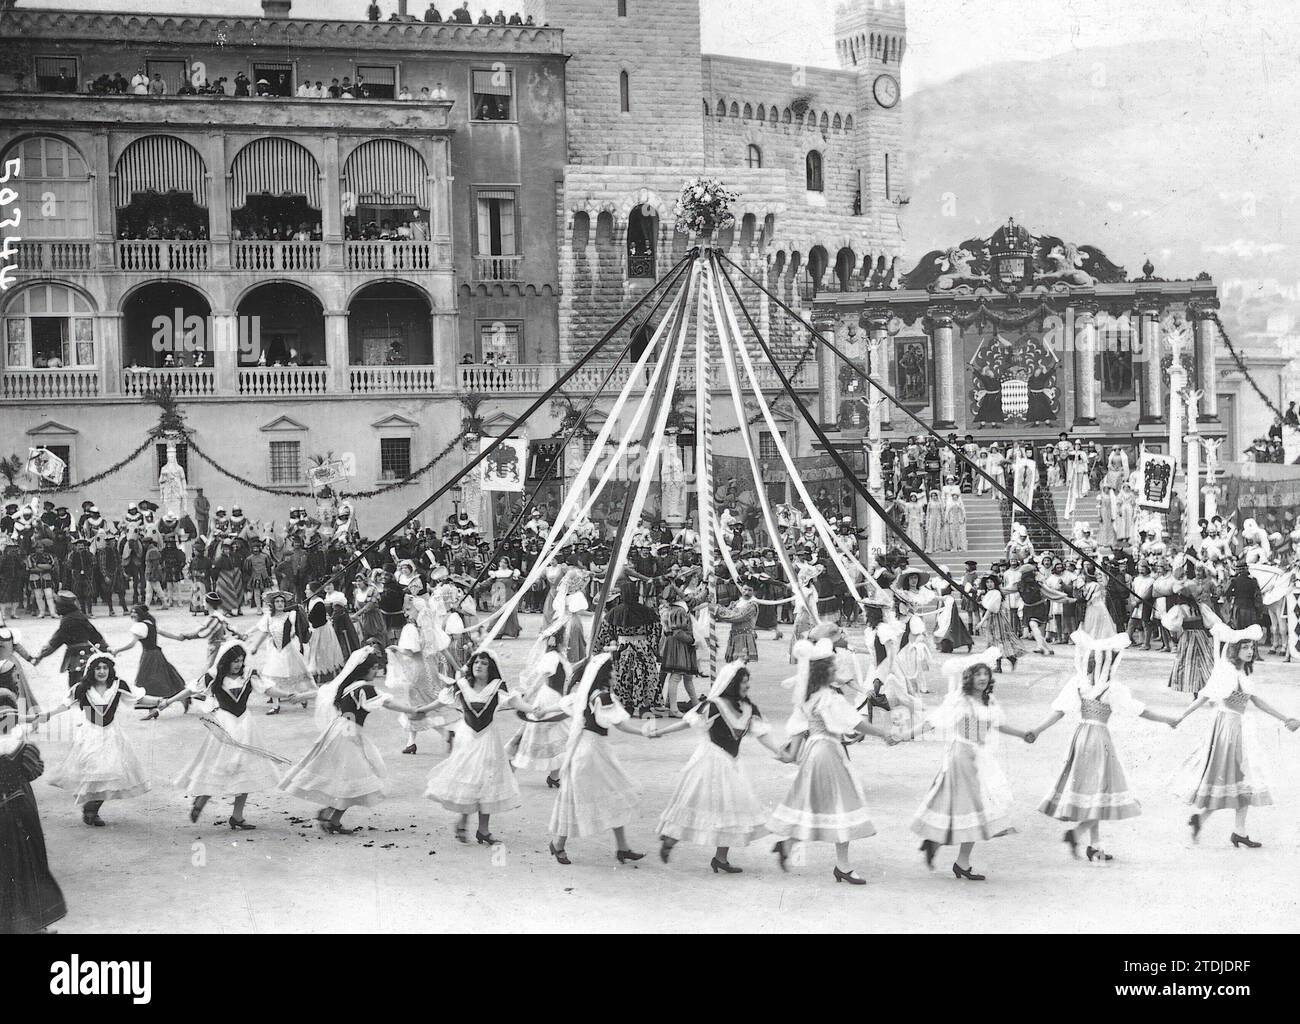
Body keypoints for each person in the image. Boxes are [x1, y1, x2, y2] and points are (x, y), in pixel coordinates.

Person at [1024, 633, 1179, 862]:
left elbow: (1059, 711)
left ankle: (1095, 846)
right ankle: (1077, 834)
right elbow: (1140, 710)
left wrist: (1037, 730)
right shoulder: (1111, 688)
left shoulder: (1079, 683)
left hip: (1081, 736)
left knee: (1093, 794)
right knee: (1100, 792)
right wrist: (1167, 719)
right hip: (1099, 739)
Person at [769, 638, 897, 885]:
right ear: (823, 672)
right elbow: (854, 721)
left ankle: (790, 845)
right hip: (827, 753)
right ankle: (842, 866)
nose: (837, 673)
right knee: (842, 808)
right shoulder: (828, 697)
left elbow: (801, 729)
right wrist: (883, 734)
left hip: (815, 752)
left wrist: (791, 753)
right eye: (832, 669)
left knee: (815, 805)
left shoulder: (808, 697)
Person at [149, 640, 302, 829]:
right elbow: (190, 690)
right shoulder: (214, 676)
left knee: (245, 769)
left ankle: (237, 816)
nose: (238, 664)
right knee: (218, 765)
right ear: (225, 661)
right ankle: (202, 799)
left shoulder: (249, 675)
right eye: (234, 661)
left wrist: (287, 695)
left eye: (240, 660)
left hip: (245, 725)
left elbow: (268, 689)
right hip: (224, 725)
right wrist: (168, 701)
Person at [278, 646, 429, 834]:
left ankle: (331, 817)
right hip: (348, 734)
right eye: (373, 668)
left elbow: (323, 692)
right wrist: (411, 710)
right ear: (363, 669)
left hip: (339, 730)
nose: (376, 671)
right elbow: (387, 702)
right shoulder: (365, 688)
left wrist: (301, 696)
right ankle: (329, 815)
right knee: (357, 779)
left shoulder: (346, 685)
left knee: (351, 779)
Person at [910, 648, 1030, 880]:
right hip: (961, 756)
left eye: (985, 674)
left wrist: (1022, 734)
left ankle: (955, 857)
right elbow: (933, 722)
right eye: (978, 674)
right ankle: (938, 845)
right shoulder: (960, 700)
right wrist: (906, 734)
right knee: (972, 809)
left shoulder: (989, 700)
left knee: (977, 810)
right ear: (969, 677)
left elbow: (998, 725)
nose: (983, 678)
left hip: (981, 758)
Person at [1176, 625, 1298, 848]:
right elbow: (1205, 696)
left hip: (1239, 727)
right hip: (1229, 729)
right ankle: (1208, 822)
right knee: (1236, 778)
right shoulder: (1228, 672)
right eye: (1244, 647)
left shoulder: (1242, 672)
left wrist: (1285, 718)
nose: (1250, 651)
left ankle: (1234, 830)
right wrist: (1181, 716)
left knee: (1241, 781)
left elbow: (1256, 700)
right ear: (1234, 650)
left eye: (1251, 647)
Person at [657, 662, 782, 873]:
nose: (747, 687)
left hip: (731, 764)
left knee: (731, 810)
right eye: (744, 683)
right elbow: (688, 722)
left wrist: (780, 752)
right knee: (695, 801)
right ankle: (670, 838)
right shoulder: (714, 704)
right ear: (733, 684)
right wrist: (661, 732)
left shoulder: (749, 708)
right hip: (710, 761)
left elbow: (762, 735)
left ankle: (720, 859)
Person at [547, 653, 664, 865]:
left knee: (605, 795)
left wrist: (538, 712)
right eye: (613, 670)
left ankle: (620, 848)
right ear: (605, 674)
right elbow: (619, 724)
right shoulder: (603, 697)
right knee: (593, 796)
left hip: (587, 749)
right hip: (592, 752)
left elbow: (565, 707)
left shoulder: (587, 694)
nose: (616, 673)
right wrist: (644, 732)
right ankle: (558, 844)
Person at [423, 649, 536, 844]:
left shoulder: (497, 687)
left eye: (483, 663)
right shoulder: (461, 685)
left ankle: (483, 830)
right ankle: (463, 820)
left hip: (488, 739)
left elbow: (516, 702)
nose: (478, 666)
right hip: (467, 739)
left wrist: (535, 710)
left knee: (488, 781)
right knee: (469, 779)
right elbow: (441, 701)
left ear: (490, 667)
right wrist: (419, 710)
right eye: (476, 662)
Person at [40, 653, 151, 826]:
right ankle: (91, 808)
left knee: (110, 772)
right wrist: (48, 715)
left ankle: (92, 809)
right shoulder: (82, 688)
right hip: (90, 733)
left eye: (105, 667)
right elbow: (66, 704)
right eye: (97, 668)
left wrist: (160, 701)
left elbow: (139, 699)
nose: (101, 671)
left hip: (111, 734)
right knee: (94, 771)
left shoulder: (118, 685)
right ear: (91, 670)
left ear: (110, 669)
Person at [0, 676, 66, 933]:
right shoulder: (22, 746)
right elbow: (34, 770)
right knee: (28, 862)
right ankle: (33, 924)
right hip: (20, 807)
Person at [110, 605, 191, 715]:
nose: (132, 615)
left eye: (135, 613)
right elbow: (162, 632)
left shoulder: (140, 626)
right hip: (156, 653)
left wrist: (117, 650)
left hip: (149, 655)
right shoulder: (150, 623)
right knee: (165, 678)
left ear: (140, 614)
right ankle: (181, 698)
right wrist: (177, 637)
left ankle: (154, 707)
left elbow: (132, 644)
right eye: (131, 613)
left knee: (146, 680)